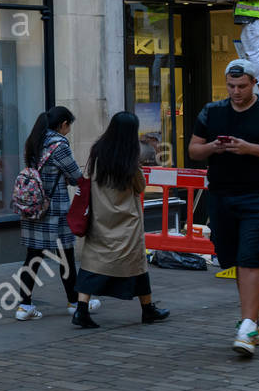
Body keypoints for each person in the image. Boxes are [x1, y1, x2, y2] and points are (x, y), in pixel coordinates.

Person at [188, 59, 259, 356]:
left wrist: (250, 148)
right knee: (236, 258)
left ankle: (247, 326)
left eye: (242, 86)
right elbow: (194, 149)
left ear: (254, 84)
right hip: (223, 196)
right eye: (231, 86)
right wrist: (214, 147)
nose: (236, 92)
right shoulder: (212, 111)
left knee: (251, 258)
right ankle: (253, 320)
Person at [72, 112, 170, 328]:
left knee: (92, 265)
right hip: (126, 221)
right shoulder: (129, 159)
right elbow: (141, 187)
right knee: (138, 267)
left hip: (100, 218)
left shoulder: (97, 152)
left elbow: (89, 178)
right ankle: (148, 309)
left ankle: (81, 310)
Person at [15, 106, 92, 321]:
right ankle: (74, 302)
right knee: (66, 258)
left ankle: (24, 306)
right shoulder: (59, 145)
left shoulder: (34, 141)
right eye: (69, 126)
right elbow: (76, 176)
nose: (69, 131)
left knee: (32, 258)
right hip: (55, 210)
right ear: (63, 124)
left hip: (33, 207)